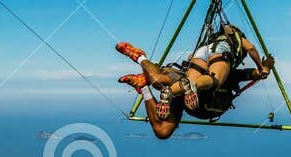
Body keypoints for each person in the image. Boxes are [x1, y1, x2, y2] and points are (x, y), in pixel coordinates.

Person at [115, 23, 273, 139]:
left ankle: (143, 86)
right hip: (189, 90)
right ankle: (139, 57)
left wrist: (264, 69)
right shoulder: (223, 65)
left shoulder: (231, 74)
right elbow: (256, 67)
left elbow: (254, 74)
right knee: (158, 81)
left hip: (188, 97)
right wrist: (265, 67)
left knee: (162, 132)